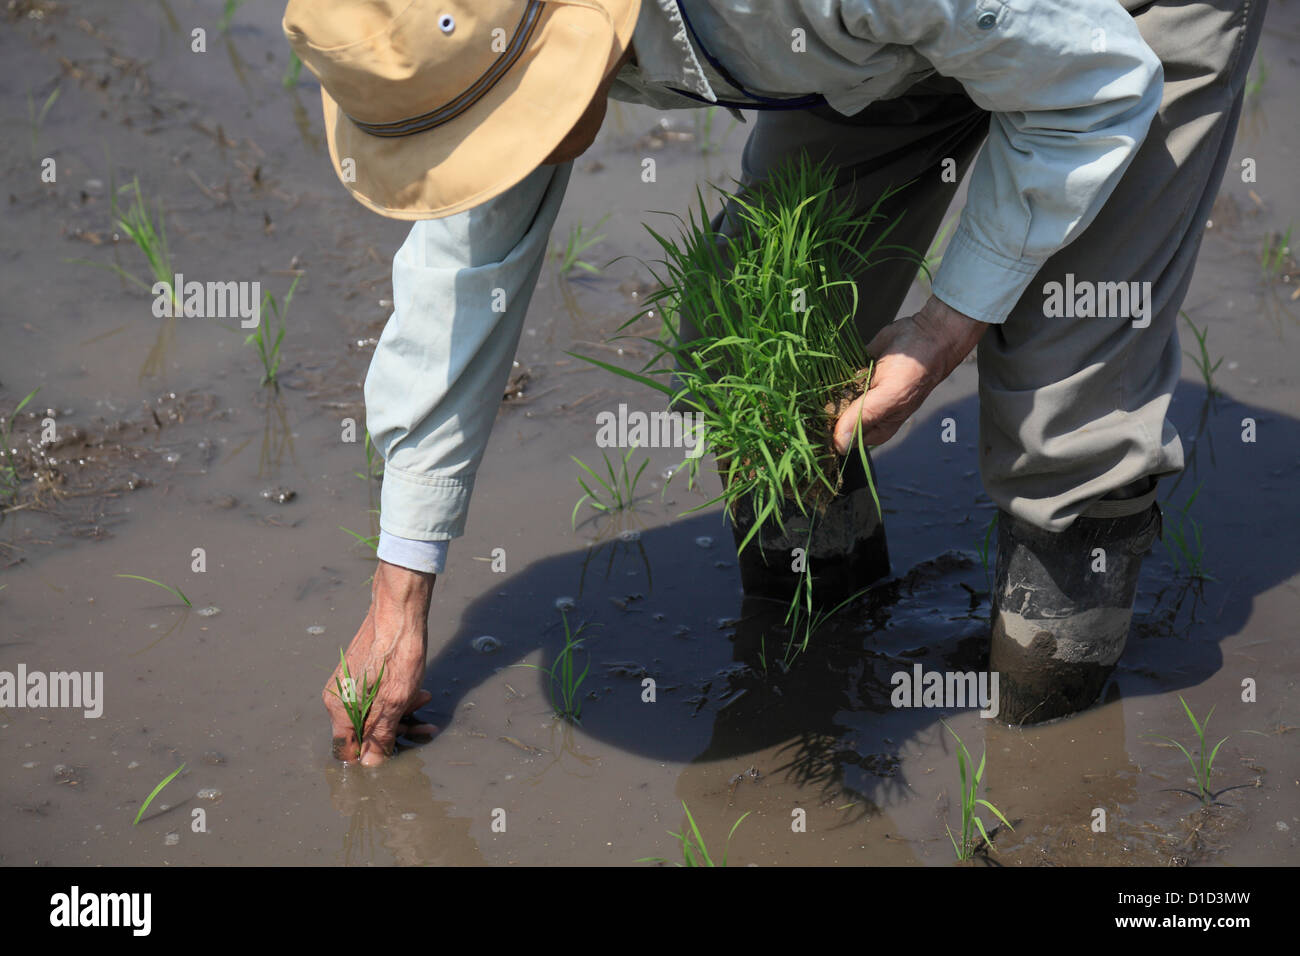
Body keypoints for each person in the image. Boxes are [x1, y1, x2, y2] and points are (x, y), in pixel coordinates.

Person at [282, 0, 1267, 763]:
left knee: (1067, 403)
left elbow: (1093, 81)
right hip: (891, 31)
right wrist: (397, 594)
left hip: (1111, 33)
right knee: (758, 336)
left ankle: (1053, 739)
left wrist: (940, 325)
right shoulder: (475, 29)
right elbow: (465, 266)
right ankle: (821, 634)